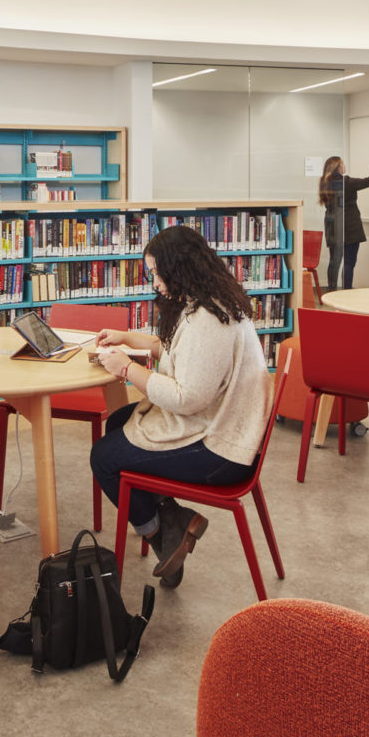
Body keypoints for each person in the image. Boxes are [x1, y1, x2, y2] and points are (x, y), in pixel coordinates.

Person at [91, 224, 271, 586]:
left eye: (158, 273)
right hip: (220, 424)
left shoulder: (209, 321)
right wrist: (127, 338)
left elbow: (185, 398)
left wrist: (126, 369)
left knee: (104, 457)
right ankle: (172, 519)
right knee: (119, 423)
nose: (155, 282)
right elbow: (178, 352)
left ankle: (158, 533)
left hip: (221, 450)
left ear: (179, 269)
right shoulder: (209, 303)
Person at [318, 151, 369, 292]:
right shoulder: (346, 182)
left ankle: (331, 291)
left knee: (333, 261)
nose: (344, 166)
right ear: (337, 167)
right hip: (349, 226)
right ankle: (346, 292)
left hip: (332, 226)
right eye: (342, 164)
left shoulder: (324, 184)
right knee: (349, 262)